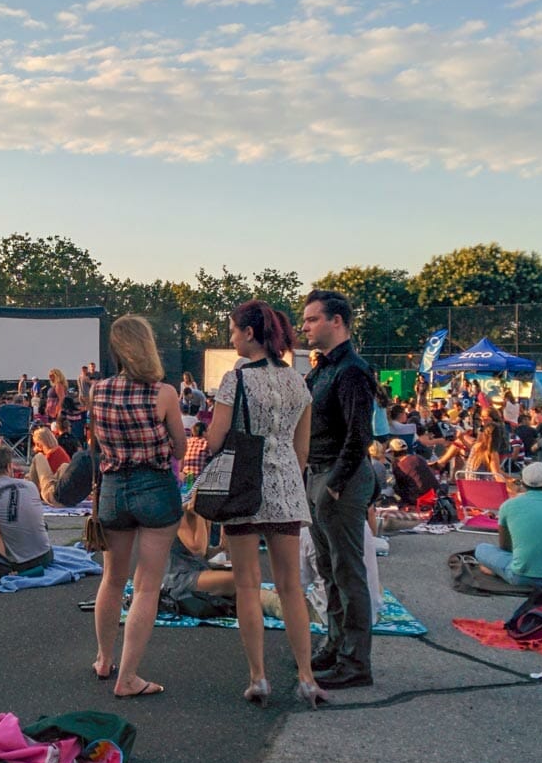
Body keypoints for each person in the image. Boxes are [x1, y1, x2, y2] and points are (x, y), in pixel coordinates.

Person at [206, 300, 324, 708]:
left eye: (234, 330)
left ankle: (258, 677)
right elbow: (302, 448)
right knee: (292, 587)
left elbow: (217, 438)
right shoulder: (298, 381)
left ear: (250, 333)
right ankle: (306, 676)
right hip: (287, 487)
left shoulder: (233, 380)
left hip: (245, 488)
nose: (232, 337)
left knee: (247, 585)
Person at [89, 315, 187, 699]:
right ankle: (128, 678)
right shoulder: (163, 393)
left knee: (111, 579)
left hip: (114, 488)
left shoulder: (97, 391)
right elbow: (180, 447)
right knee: (146, 587)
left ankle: (103, 658)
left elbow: (98, 442)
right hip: (155, 487)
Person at [299, 289, 377, 689]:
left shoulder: (352, 371)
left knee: (348, 573)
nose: (305, 326)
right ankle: (336, 644)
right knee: (328, 570)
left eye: (312, 319)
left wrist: (335, 485)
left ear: (337, 321)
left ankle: (355, 662)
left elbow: (360, 434)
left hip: (337, 478)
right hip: (319, 473)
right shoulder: (323, 369)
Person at [473, 462, 542, 588]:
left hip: (521, 577)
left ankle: (498, 571)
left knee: (482, 548)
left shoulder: (508, 505)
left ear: (523, 483)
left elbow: (505, 546)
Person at [0, 445, 54, 571]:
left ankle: (2, 564)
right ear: (9, 467)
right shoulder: (30, 486)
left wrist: (2, 567)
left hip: (20, 563)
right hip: (45, 555)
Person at [389, 438, 439, 507]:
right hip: (434, 492)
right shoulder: (418, 457)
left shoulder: (398, 466)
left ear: (392, 452)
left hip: (418, 497)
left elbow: (400, 485)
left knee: (394, 486)